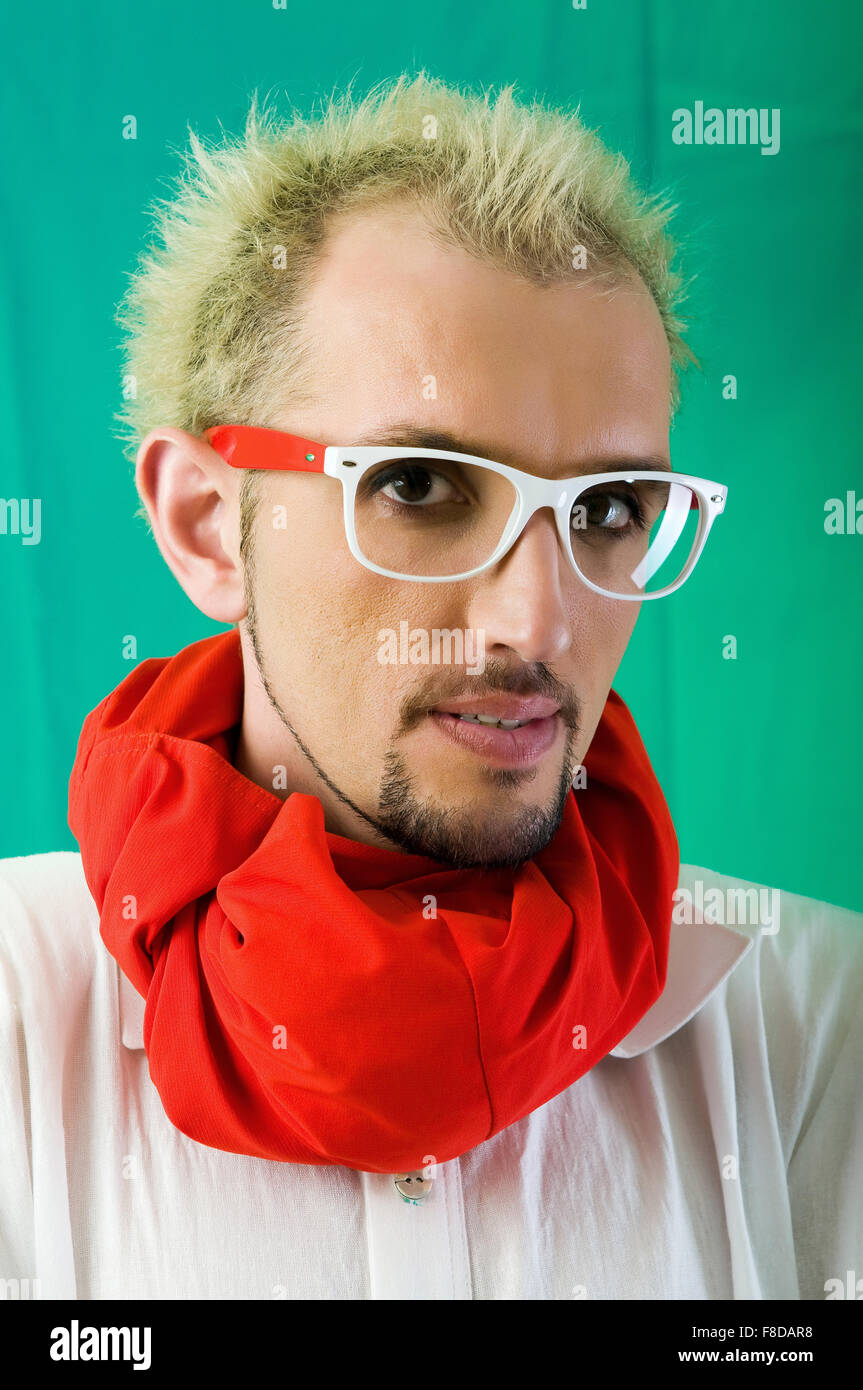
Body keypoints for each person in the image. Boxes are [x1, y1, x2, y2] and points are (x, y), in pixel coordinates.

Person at [1, 72, 860, 1302]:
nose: (536, 620)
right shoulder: (15, 1032)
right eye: (416, 487)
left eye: (608, 510)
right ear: (204, 526)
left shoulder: (827, 1034)